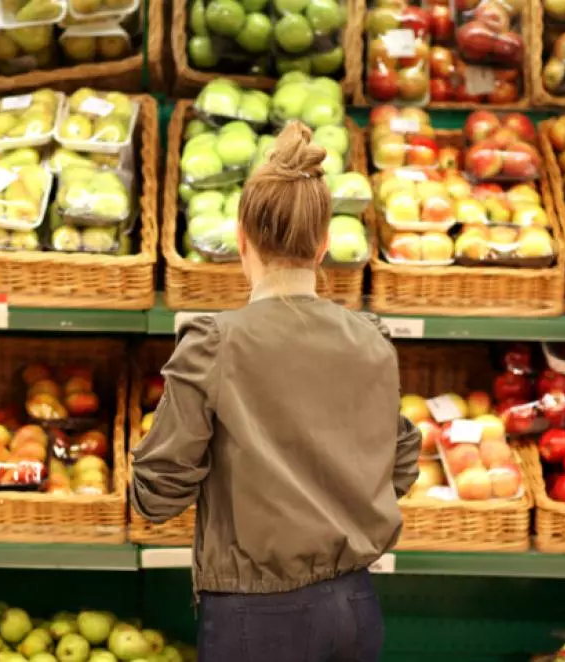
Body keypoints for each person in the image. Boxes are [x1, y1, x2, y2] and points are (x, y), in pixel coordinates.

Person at [130, 121, 421, 662]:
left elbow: (158, 492)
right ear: (324, 245)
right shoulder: (372, 339)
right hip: (355, 606)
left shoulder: (214, 344)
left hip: (255, 620)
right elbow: (401, 465)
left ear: (242, 240)